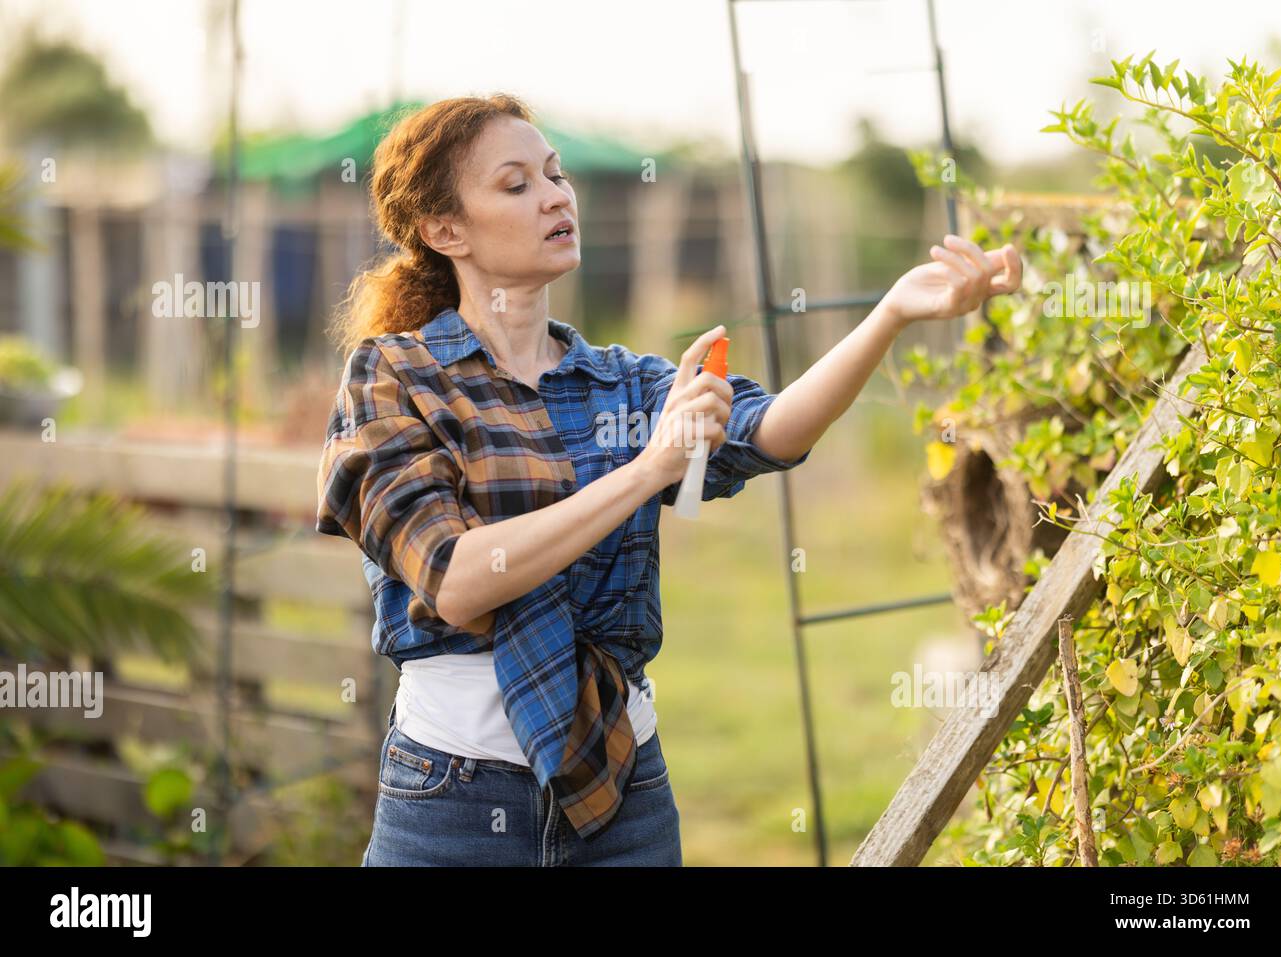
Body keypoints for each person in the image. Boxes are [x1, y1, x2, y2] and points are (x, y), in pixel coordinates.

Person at [315, 93, 1022, 867]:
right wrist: (649, 467)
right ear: (444, 230)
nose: (555, 196)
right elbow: (455, 579)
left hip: (623, 794)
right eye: (516, 184)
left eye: (555, 175)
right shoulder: (393, 378)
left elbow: (771, 430)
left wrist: (891, 313)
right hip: (451, 799)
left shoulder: (621, 381)